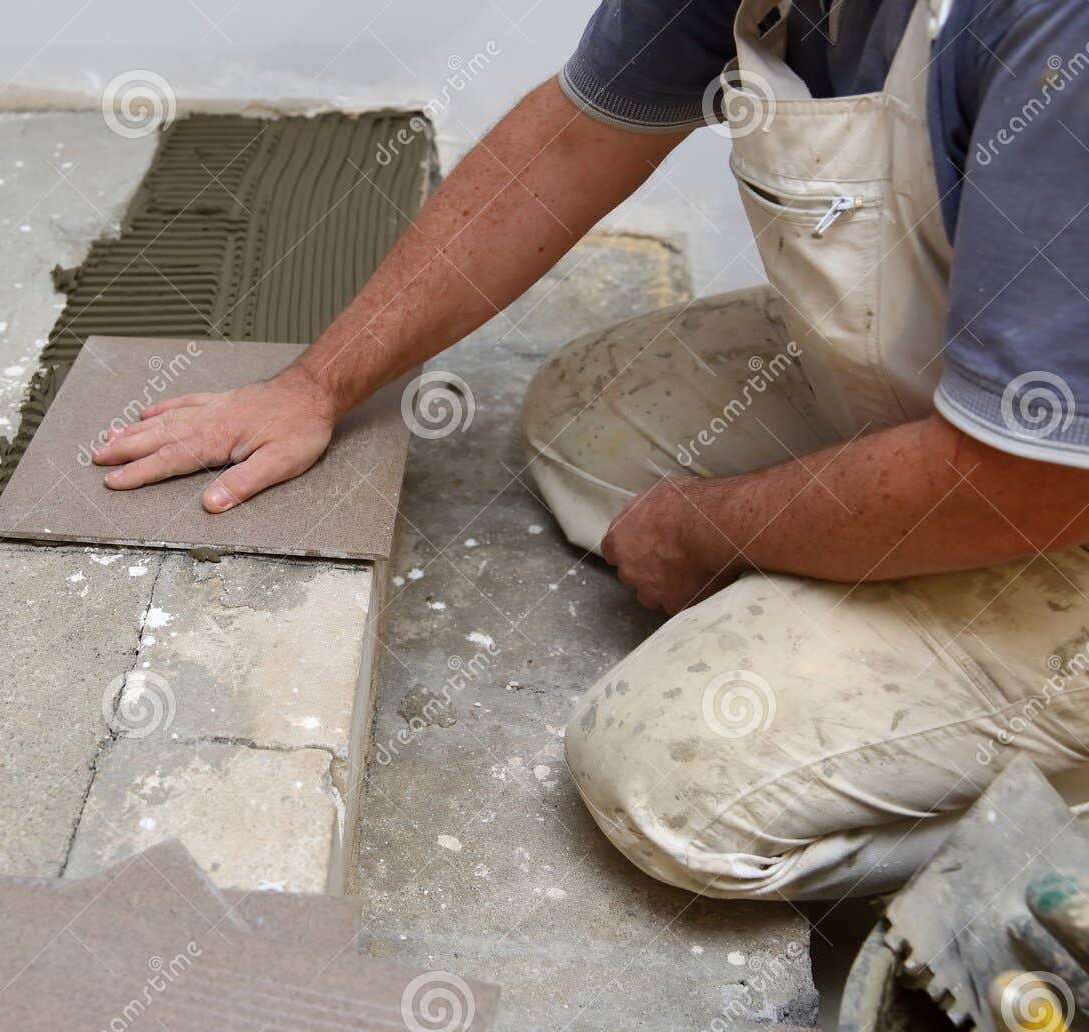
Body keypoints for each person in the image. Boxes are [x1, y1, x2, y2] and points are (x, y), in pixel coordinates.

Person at [90, 0, 1089, 900]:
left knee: (661, 773)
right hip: (976, 414)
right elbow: (573, 141)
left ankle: (1050, 806)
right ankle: (883, 591)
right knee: (585, 421)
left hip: (1050, 499)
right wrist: (315, 384)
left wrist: (715, 531)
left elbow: (1026, 483)